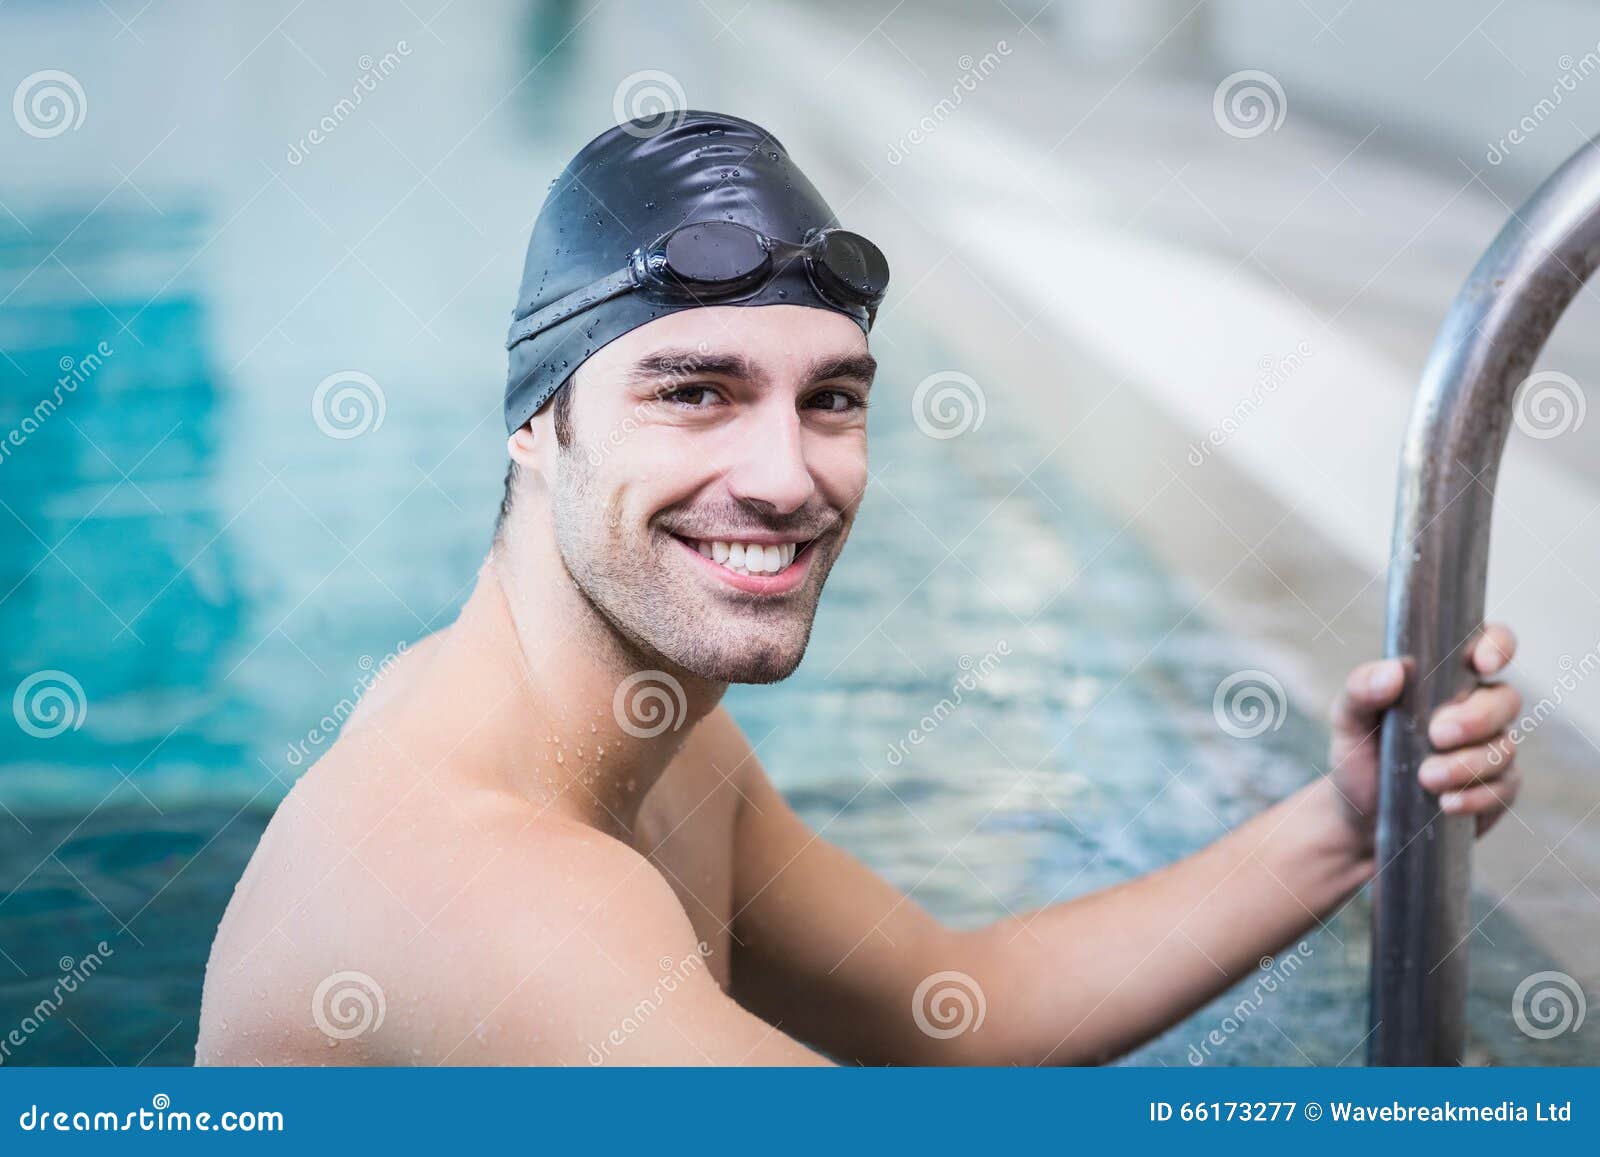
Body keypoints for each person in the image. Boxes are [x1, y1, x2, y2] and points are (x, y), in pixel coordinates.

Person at [195, 111, 1523, 1065]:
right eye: (696, 392)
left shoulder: (653, 747)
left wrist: (1347, 825)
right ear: (536, 424)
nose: (784, 476)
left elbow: (958, 1008)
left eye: (830, 400)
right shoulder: (494, 892)